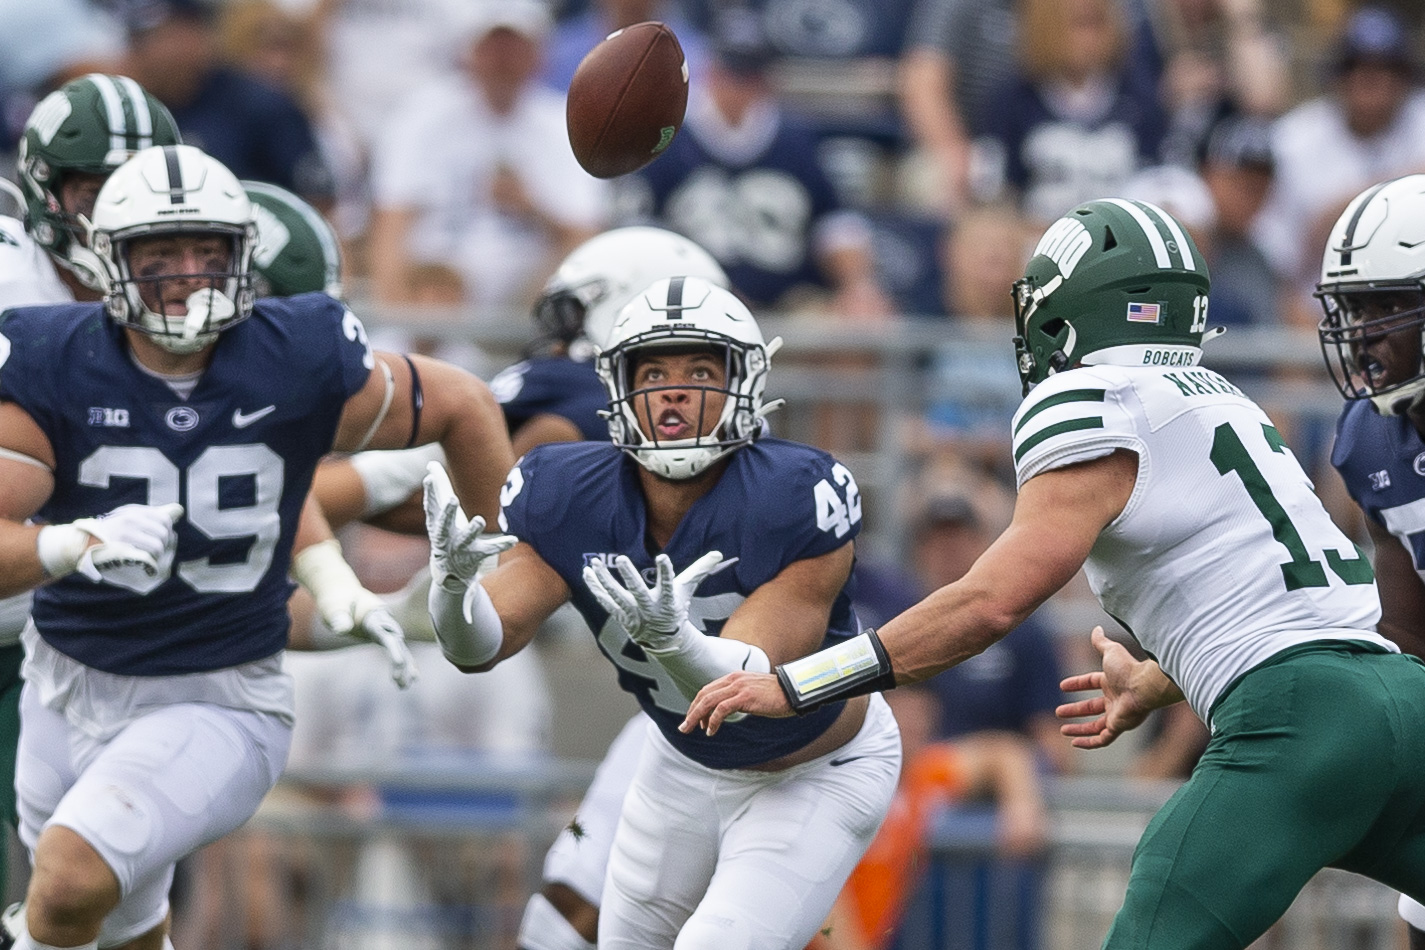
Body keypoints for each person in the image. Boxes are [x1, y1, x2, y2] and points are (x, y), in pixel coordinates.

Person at [683, 196, 1425, 949]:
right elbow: (1304, 612)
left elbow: (988, 605)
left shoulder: (1093, 397)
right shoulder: (1228, 403)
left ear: (1072, 313)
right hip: (1405, 698)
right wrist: (1162, 677)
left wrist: (796, 684)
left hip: (1297, 721)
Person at [0, 142, 513, 950]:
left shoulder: (290, 351)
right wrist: (70, 544)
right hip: (62, 686)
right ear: (107, 261)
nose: (189, 273)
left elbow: (461, 403)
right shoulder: (50, 358)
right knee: (126, 930)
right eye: (160, 253)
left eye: (210, 251)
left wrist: (501, 576)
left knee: (62, 893)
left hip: (216, 696)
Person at [423, 276, 901, 948]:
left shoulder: (793, 492)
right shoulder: (565, 490)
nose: (674, 391)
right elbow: (479, 646)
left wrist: (676, 646)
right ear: (618, 389)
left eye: (699, 371)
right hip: (682, 763)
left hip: (812, 768)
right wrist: (451, 596)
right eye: (653, 372)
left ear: (744, 385)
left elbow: (748, 679)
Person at [1316, 173, 1425, 949]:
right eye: (1352, 309)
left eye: (1384, 306)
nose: (1362, 334)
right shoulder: (1370, 438)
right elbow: (1406, 640)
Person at [367, 0, 608, 315]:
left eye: (514, 47)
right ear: (470, 52)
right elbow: (390, 224)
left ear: (538, 55)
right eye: (493, 46)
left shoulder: (563, 124)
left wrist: (531, 208)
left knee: (575, 255)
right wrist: (401, 317)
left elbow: (586, 234)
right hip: (436, 298)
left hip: (525, 302)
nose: (502, 60)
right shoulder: (421, 118)